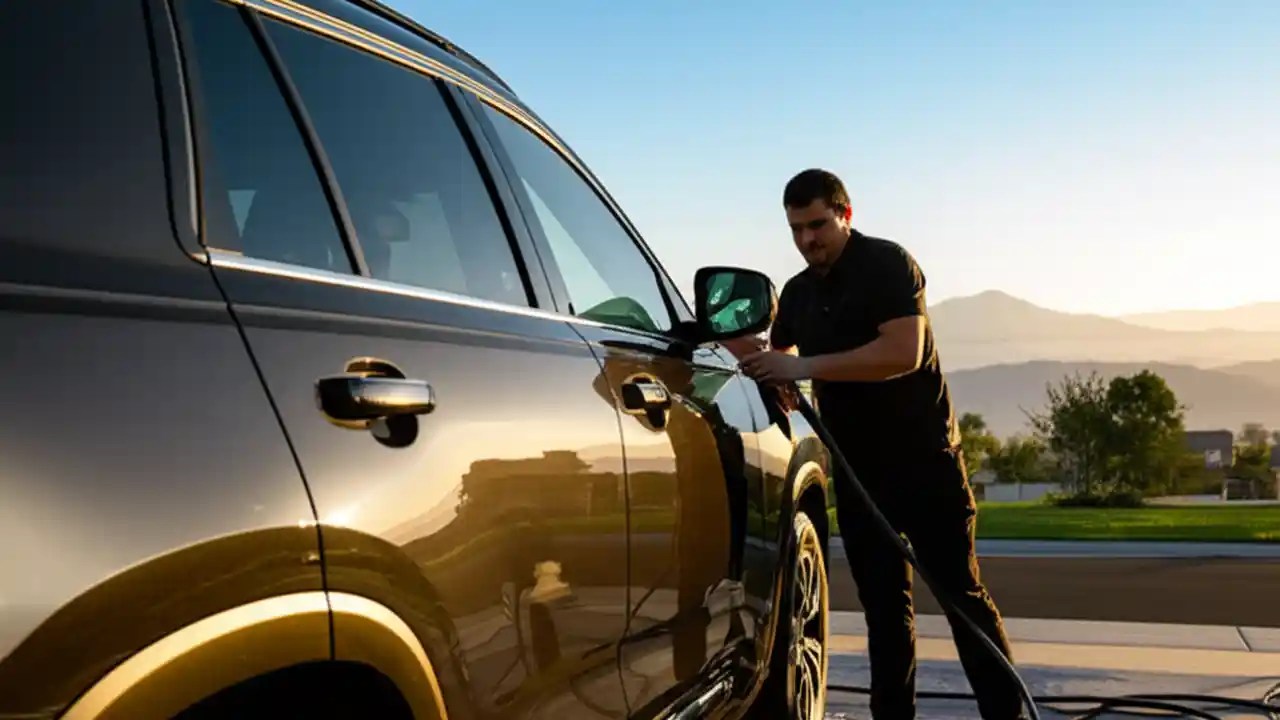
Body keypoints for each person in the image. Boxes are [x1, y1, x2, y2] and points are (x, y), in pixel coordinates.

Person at [739, 168, 1026, 720]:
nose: (807, 240)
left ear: (845, 215)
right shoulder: (797, 293)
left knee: (962, 599)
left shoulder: (888, 265)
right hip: (858, 473)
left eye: (818, 225)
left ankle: (1007, 716)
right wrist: (768, 369)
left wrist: (802, 368)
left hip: (927, 465)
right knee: (884, 614)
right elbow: (777, 353)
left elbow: (902, 352)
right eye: (796, 229)